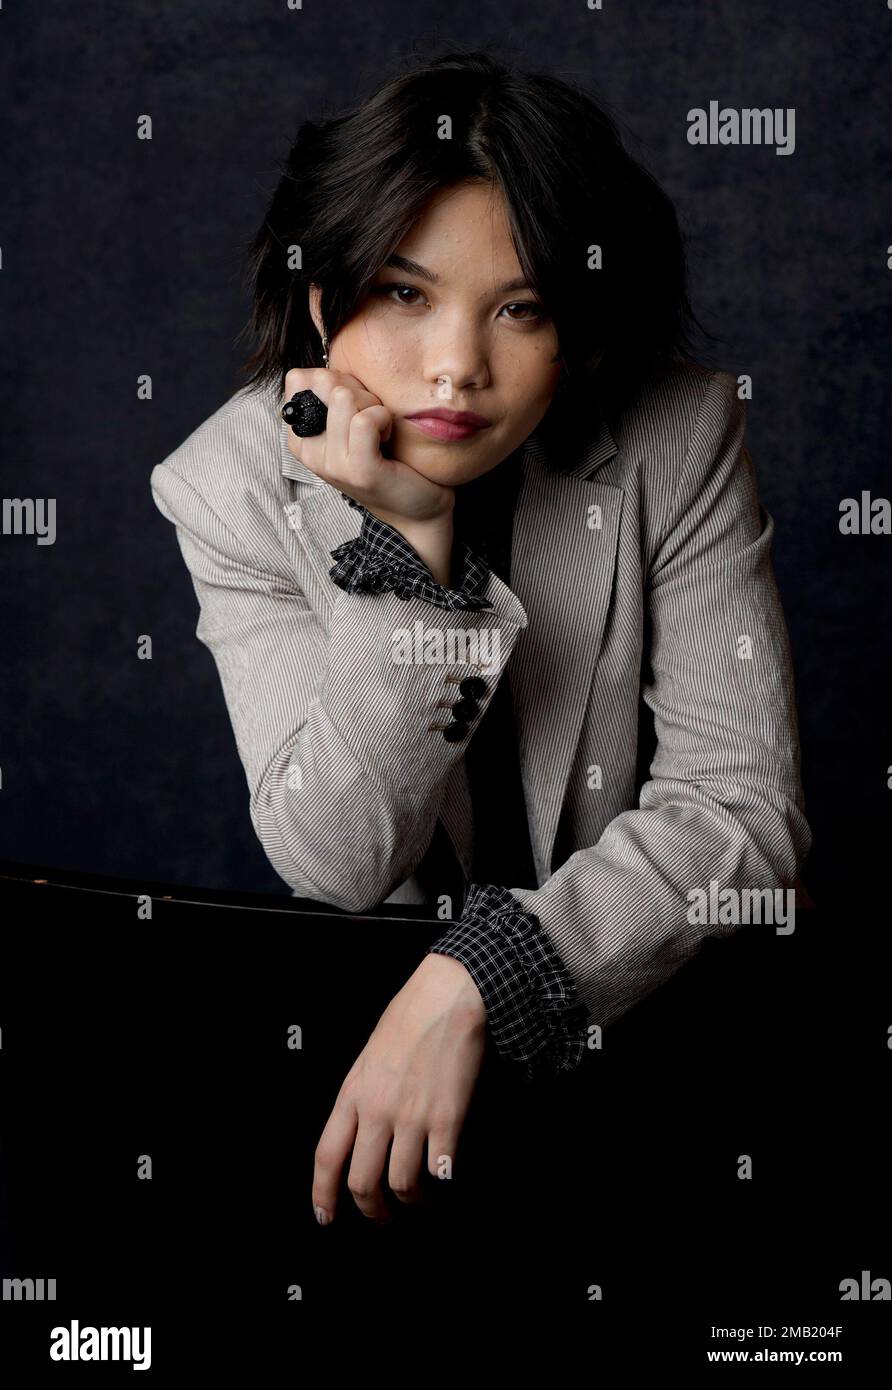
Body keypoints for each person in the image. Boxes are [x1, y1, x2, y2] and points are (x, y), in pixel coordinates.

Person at [149, 49, 811, 1231]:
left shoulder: (676, 430)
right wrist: (408, 553)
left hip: (645, 1033)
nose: (457, 364)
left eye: (521, 308)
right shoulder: (229, 487)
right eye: (403, 294)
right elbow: (337, 856)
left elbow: (743, 818)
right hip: (355, 1082)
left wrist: (484, 970)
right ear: (319, 295)